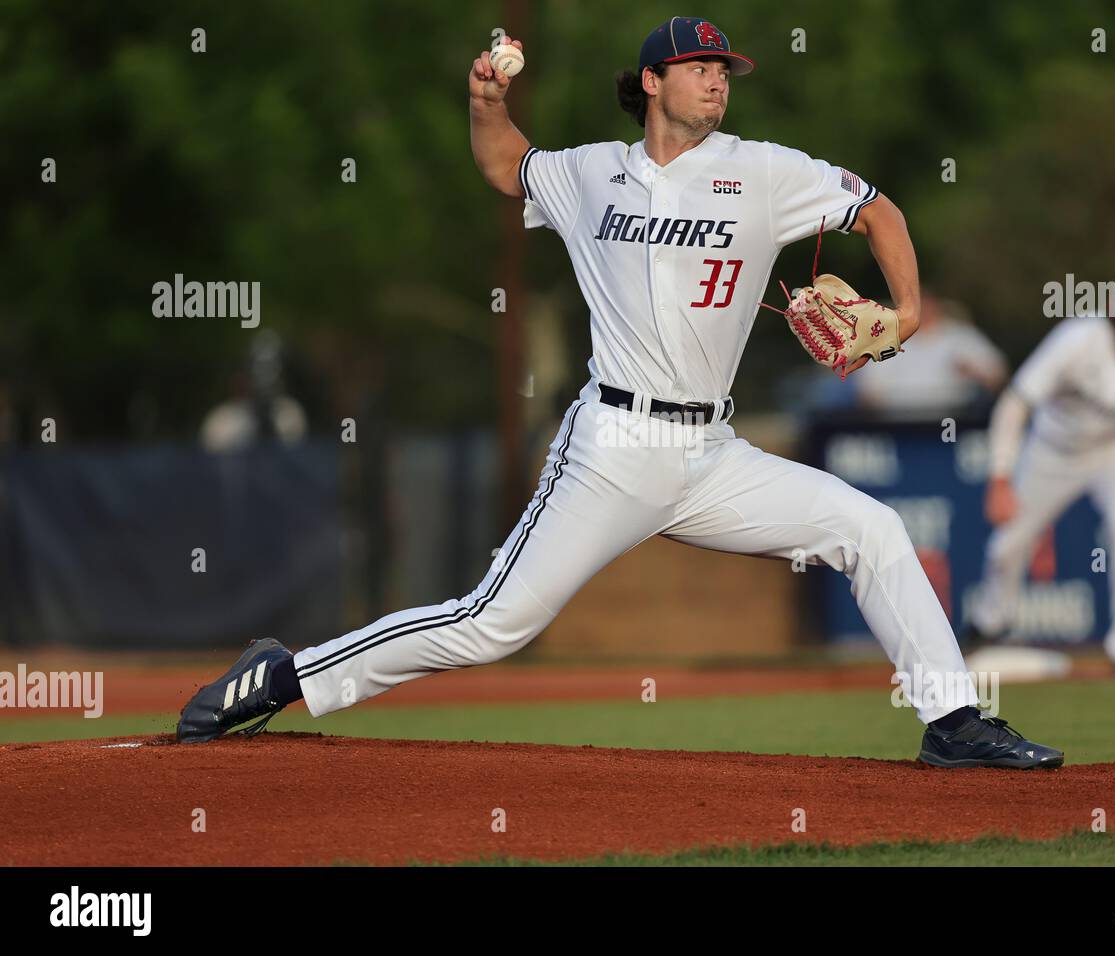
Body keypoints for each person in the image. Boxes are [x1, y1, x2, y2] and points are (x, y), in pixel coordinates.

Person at [178, 17, 1062, 769]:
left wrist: (906, 314)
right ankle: (284, 675)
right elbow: (506, 168)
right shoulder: (590, 172)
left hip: (713, 457)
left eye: (724, 70)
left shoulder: (763, 170)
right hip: (612, 445)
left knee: (872, 529)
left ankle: (951, 721)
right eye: (699, 68)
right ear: (651, 81)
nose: (718, 81)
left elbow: (880, 211)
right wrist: (487, 102)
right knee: (494, 624)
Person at [966, 267, 1115, 677]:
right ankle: (990, 621)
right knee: (1008, 543)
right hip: (1053, 449)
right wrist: (1000, 477)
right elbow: (1015, 402)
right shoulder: (1079, 338)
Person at [852, 291, 1007, 419]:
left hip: (954, 417)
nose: (923, 312)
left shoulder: (962, 337)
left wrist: (974, 373)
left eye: (927, 306)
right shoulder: (885, 340)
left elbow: (997, 375)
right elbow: (868, 392)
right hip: (899, 420)